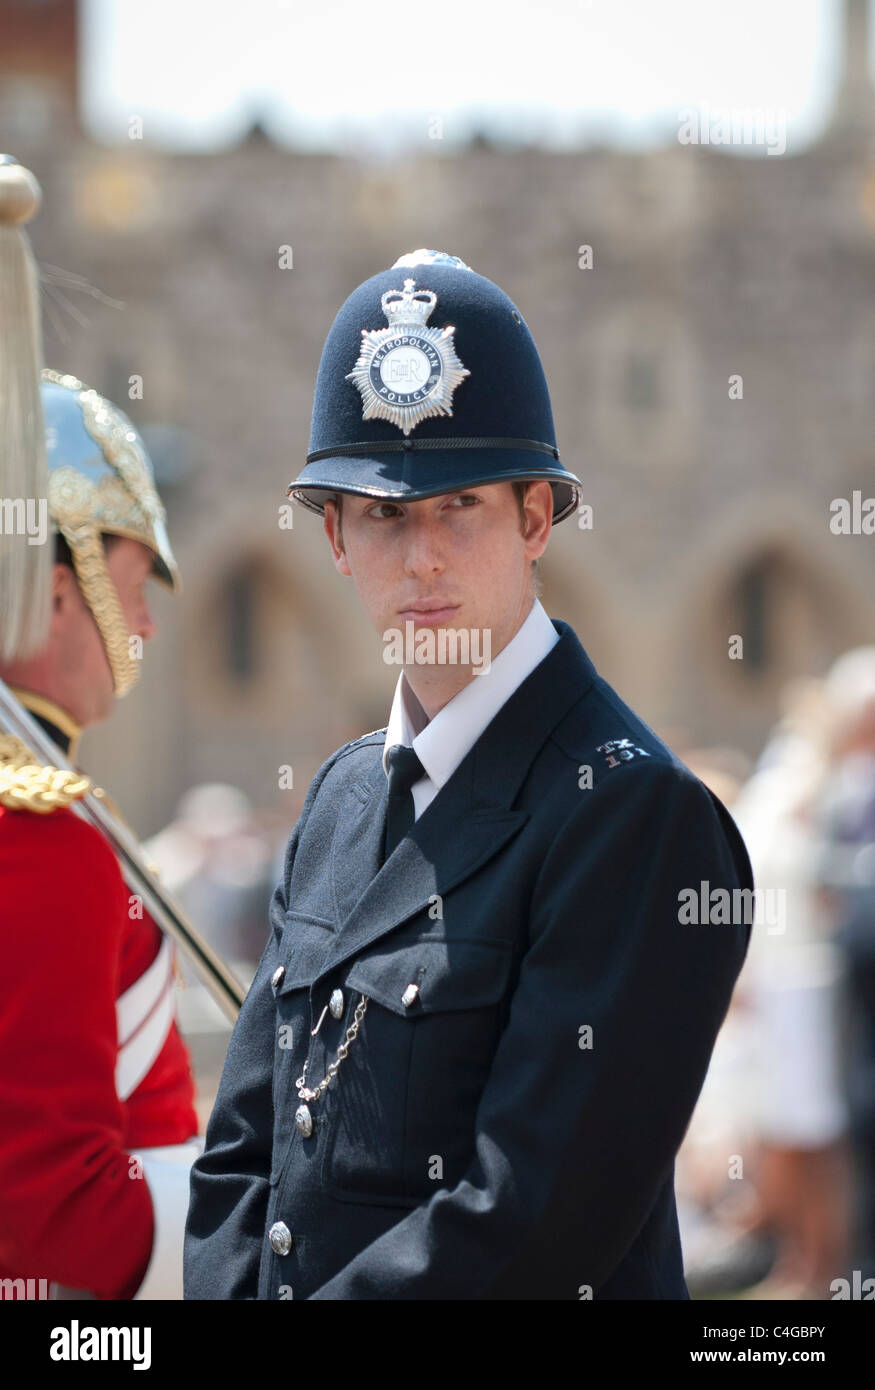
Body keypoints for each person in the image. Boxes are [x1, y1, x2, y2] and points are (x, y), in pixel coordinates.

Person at [184, 249, 753, 1300]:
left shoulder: (632, 813)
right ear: (335, 541)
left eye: (461, 508)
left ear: (536, 517)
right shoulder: (343, 796)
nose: (422, 558)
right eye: (384, 515)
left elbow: (531, 1223)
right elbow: (241, 1157)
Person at [0, 156, 199, 1300]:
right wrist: (268, 1216)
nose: (145, 624)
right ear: (59, 580)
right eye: (133, 581)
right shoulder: (42, 839)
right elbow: (58, 1210)